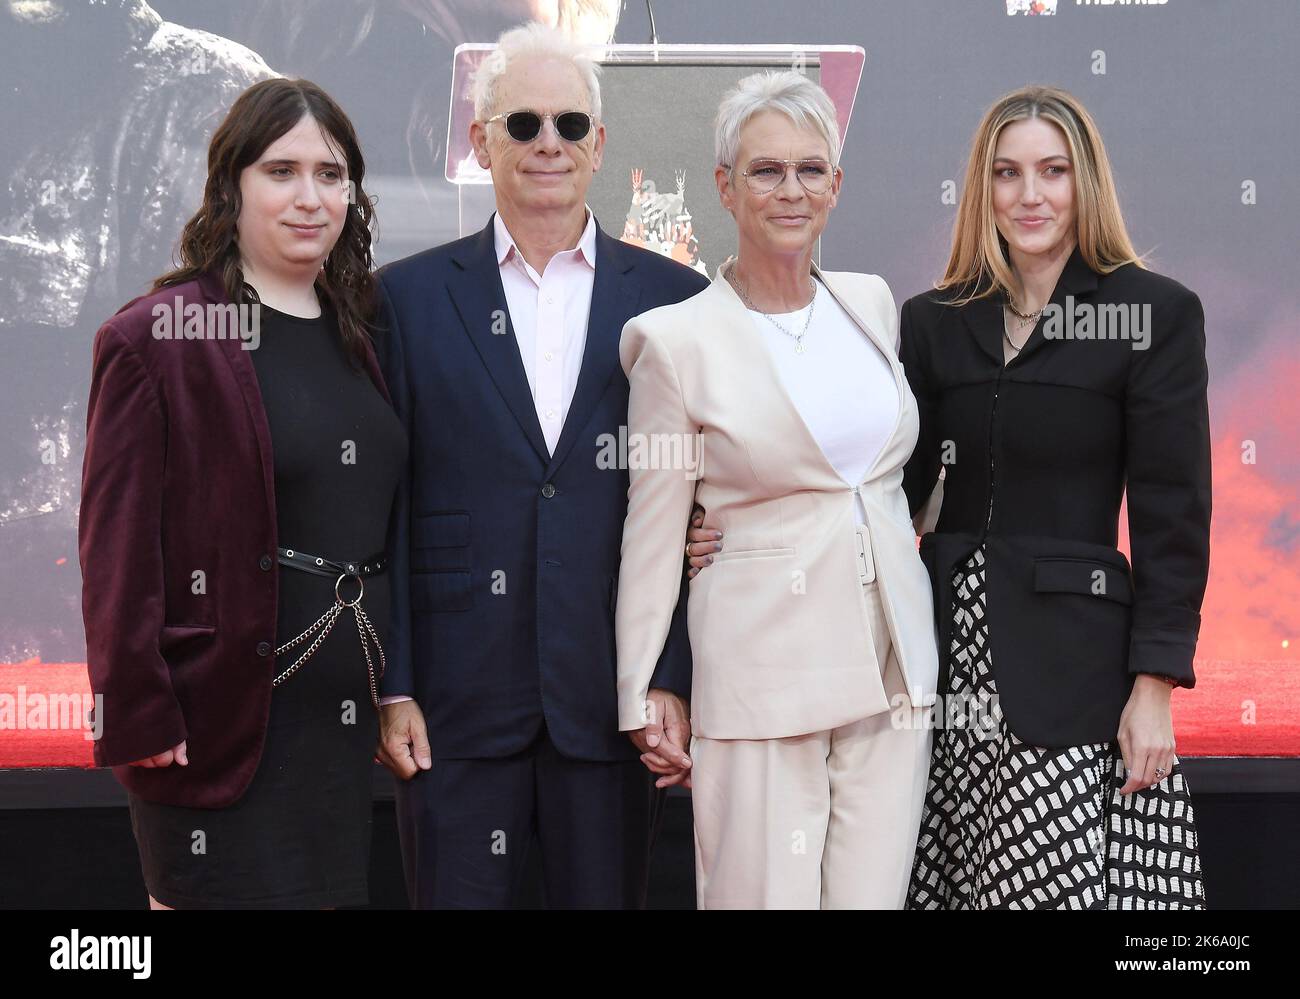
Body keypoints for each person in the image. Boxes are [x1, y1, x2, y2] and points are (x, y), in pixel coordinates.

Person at [374, 21, 709, 909]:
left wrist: (672, 673)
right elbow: (388, 507)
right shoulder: (401, 300)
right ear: (481, 142)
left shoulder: (680, 300)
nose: (548, 142)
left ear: (600, 144)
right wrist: (393, 680)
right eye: (521, 124)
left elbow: (701, 518)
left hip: (611, 701)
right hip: (452, 706)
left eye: (569, 124)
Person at [79, 78, 406, 909]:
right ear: (232, 185)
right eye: (281, 171)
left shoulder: (364, 327)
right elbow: (115, 551)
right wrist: (136, 707)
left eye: (331, 176)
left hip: (339, 733)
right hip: (214, 727)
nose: (310, 198)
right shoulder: (159, 336)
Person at [615, 70, 938, 910]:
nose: (790, 190)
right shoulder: (673, 340)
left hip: (893, 671)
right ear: (724, 186)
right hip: (762, 678)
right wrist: (645, 685)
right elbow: (652, 529)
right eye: (765, 170)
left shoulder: (869, 303)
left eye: (810, 169)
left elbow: (882, 476)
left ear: (836, 183)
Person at [897, 85, 1208, 909]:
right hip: (945, 671)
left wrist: (1155, 686)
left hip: (1076, 674)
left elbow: (1173, 514)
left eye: (1052, 171)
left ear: (1086, 183)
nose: (1029, 195)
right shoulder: (932, 321)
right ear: (982, 188)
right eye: (1007, 173)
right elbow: (892, 492)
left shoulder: (1152, 313)